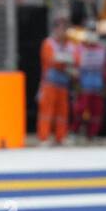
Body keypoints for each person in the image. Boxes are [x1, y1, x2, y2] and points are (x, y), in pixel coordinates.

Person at [37, 15, 75, 145]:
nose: (63, 31)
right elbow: (51, 60)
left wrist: (63, 60)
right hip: (50, 83)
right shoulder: (48, 43)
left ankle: (61, 136)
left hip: (63, 83)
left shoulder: (69, 45)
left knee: (62, 113)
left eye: (65, 28)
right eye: (60, 28)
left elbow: (75, 59)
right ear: (55, 29)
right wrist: (64, 60)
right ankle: (44, 137)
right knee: (47, 112)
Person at [71, 20, 106, 142]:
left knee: (96, 112)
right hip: (84, 84)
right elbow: (75, 65)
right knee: (80, 110)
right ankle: (75, 132)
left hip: (97, 85)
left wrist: (105, 82)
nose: (92, 33)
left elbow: (105, 68)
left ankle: (92, 134)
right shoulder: (80, 48)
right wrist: (76, 82)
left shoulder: (102, 49)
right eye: (90, 31)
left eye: (94, 31)